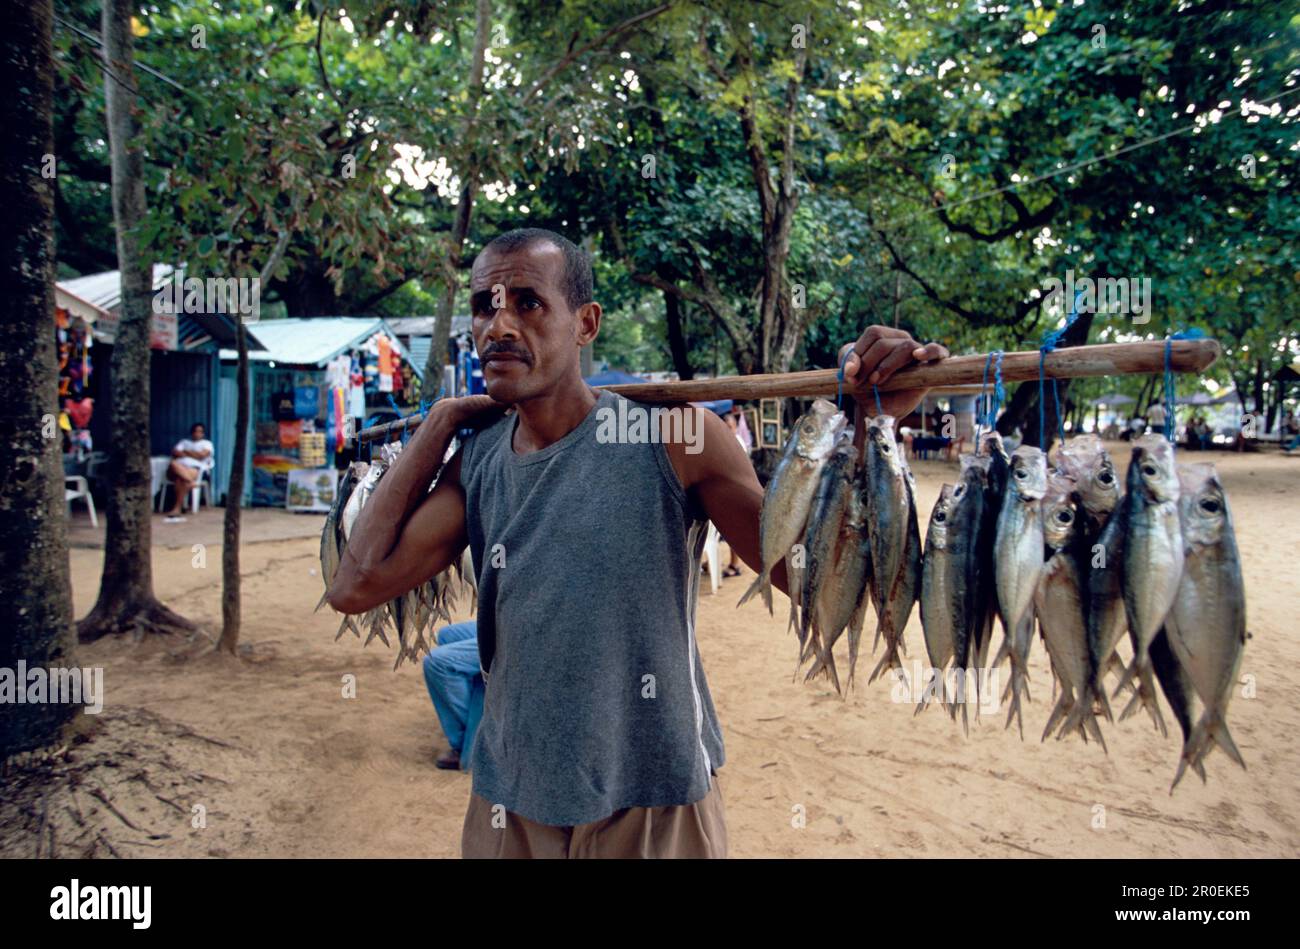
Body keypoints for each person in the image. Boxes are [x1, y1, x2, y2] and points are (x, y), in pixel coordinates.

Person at [327, 227, 947, 859]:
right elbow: (355, 586)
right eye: (485, 305)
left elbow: (810, 578)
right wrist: (440, 423)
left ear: (586, 323)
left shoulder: (677, 438)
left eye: (528, 302)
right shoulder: (479, 460)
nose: (499, 325)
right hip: (509, 797)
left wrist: (872, 423)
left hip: (653, 796)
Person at [422, 621, 484, 771]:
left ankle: (471, 741)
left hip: (517, 635)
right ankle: (467, 730)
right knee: (446, 635)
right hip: (505, 619)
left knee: (436, 662)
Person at [164, 422, 213, 521]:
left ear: (203, 434)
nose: (197, 434)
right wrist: (193, 454)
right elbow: (175, 453)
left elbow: (202, 455)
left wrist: (186, 452)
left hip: (194, 468)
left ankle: (177, 508)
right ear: (192, 433)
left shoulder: (207, 444)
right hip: (178, 467)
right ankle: (191, 482)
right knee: (173, 464)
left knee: (181, 480)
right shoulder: (184, 442)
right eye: (195, 431)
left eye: (200, 432)